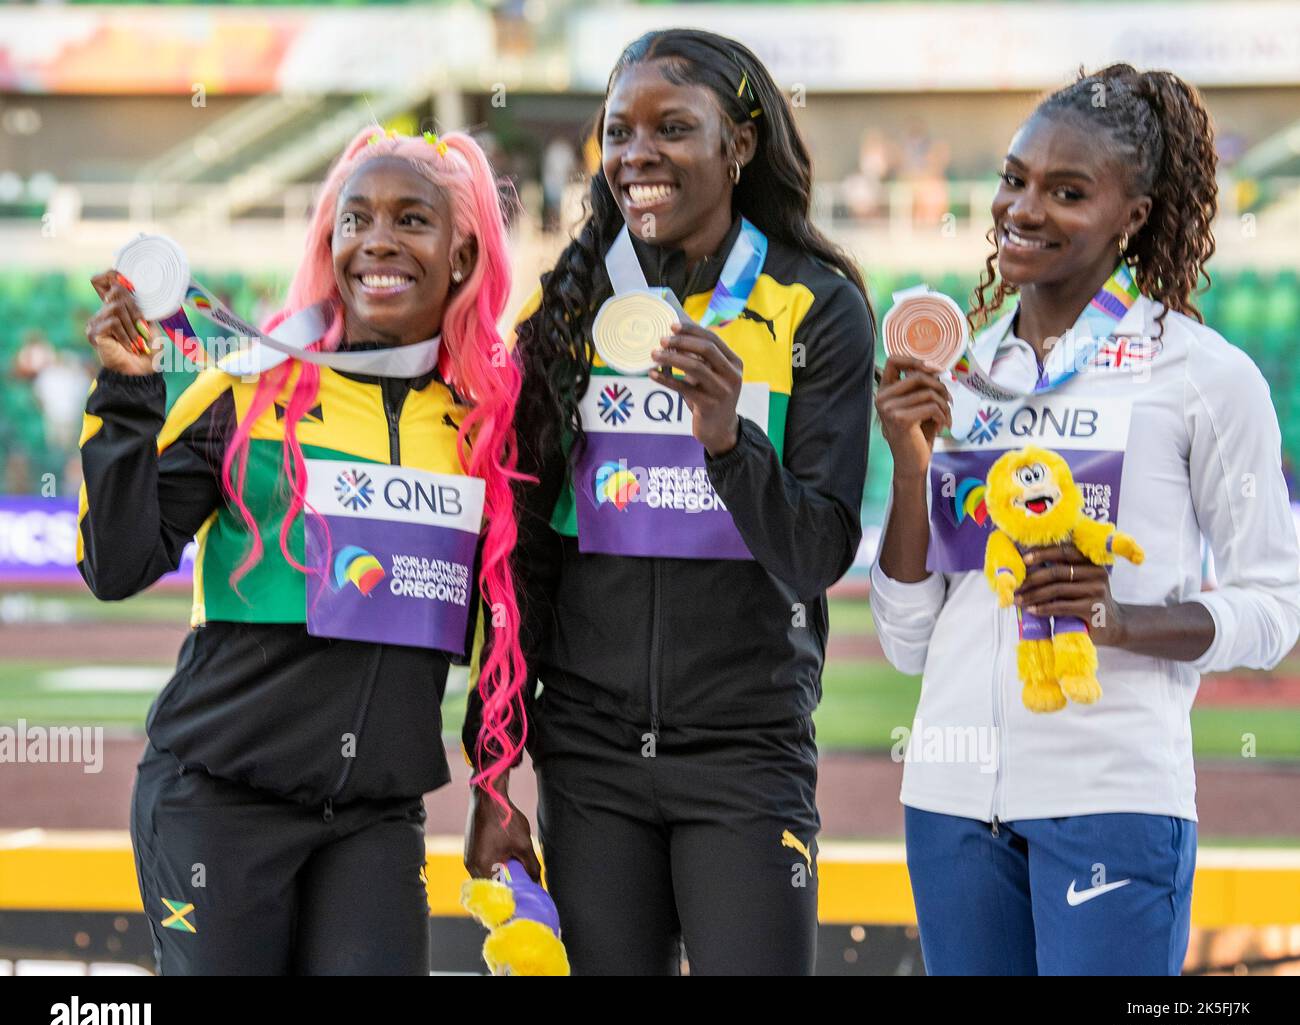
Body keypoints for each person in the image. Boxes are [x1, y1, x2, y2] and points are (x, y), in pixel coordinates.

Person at [870, 65, 1300, 976]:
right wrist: (913, 471)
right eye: (1014, 180)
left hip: (1112, 798)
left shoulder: (1202, 376)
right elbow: (912, 639)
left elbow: (1276, 605)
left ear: (1132, 217)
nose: (1023, 209)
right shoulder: (961, 373)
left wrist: (1124, 621)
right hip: (950, 802)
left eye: (1067, 192)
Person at [463, 28, 874, 976]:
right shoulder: (569, 311)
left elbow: (816, 551)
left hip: (745, 755)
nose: (635, 155)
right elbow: (522, 561)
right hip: (591, 760)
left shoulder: (816, 306)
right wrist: (493, 769)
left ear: (739, 146)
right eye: (618, 132)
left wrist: (729, 438)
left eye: (671, 128)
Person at [78, 127, 526, 975]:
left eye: (411, 219)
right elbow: (116, 564)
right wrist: (128, 394)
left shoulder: (485, 425)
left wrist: (494, 787)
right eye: (354, 219)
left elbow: (505, 628)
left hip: (373, 819)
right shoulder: (248, 392)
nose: (378, 241)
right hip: (216, 802)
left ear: (463, 253)